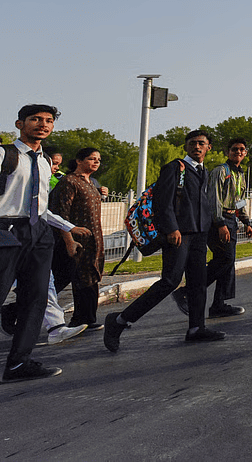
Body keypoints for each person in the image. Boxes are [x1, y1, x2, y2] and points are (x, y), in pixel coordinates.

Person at [103, 130, 226, 351]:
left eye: (201, 144)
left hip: (199, 235)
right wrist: (171, 228)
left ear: (209, 147)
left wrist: (212, 227)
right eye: (192, 143)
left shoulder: (203, 171)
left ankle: (196, 329)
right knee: (170, 281)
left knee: (198, 282)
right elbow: (162, 202)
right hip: (179, 235)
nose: (196, 147)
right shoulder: (175, 168)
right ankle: (120, 320)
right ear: (186, 146)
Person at [0, 105, 91, 382]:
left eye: (48, 121)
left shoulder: (44, 161)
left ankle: (18, 364)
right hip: (7, 230)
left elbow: (40, 206)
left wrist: (68, 227)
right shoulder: (5, 154)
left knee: (36, 298)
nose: (43, 124)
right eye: (36, 119)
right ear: (20, 123)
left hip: (38, 233)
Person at [175, 138, 252, 319]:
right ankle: (187, 291)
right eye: (234, 149)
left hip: (231, 219)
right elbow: (214, 199)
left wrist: (246, 221)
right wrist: (220, 224)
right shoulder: (221, 171)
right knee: (225, 259)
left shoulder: (240, 174)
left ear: (245, 153)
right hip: (218, 221)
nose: (238, 152)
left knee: (227, 263)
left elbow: (240, 201)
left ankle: (219, 304)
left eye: (242, 150)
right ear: (228, 152)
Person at [50, 148, 106, 331]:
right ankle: (13, 311)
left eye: (98, 159)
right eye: (91, 159)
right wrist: (68, 241)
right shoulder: (69, 182)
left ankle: (86, 319)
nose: (96, 162)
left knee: (89, 277)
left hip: (92, 240)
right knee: (61, 279)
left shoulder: (90, 183)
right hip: (73, 241)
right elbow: (60, 213)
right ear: (79, 160)